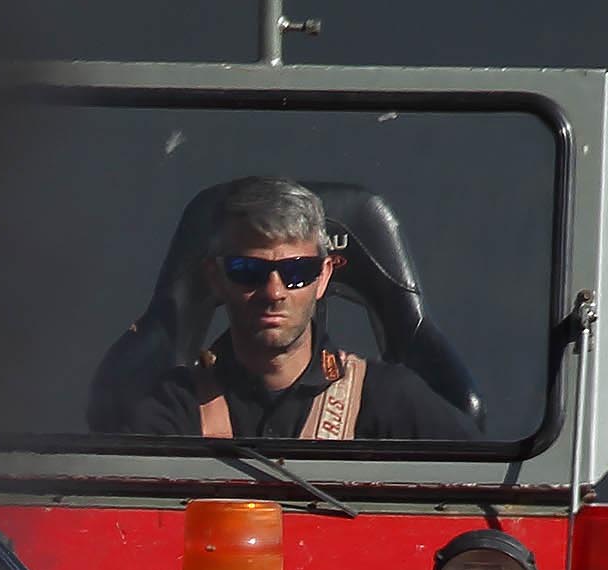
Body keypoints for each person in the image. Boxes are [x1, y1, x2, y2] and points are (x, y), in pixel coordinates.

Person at [107, 178, 472, 445]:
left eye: (298, 272)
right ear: (216, 278)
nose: (274, 292)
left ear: (324, 275)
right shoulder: (174, 407)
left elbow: (484, 507)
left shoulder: (387, 399)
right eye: (248, 271)